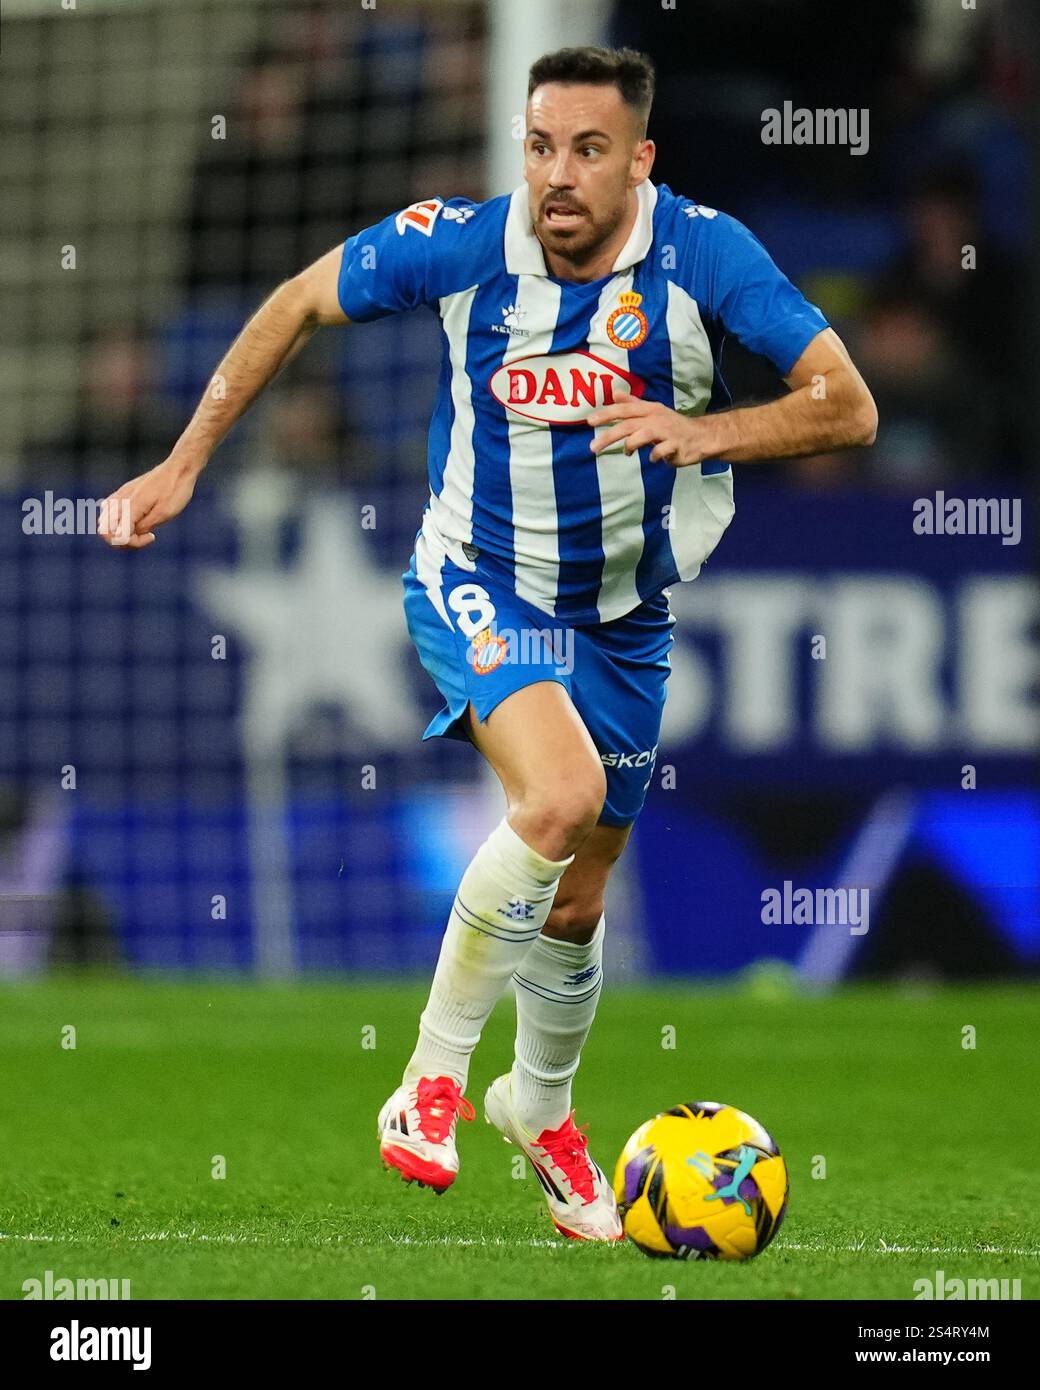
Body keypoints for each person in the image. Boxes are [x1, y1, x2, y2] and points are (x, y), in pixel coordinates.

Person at [98, 46, 877, 1241]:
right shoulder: (462, 240)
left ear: (640, 159)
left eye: (587, 149)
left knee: (577, 900)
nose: (555, 175)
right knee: (556, 796)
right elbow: (299, 299)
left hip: (623, 617)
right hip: (474, 576)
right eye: (538, 145)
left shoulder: (705, 254)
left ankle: (538, 1104)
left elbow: (846, 402)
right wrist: (183, 460)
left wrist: (703, 427)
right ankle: (430, 1081)